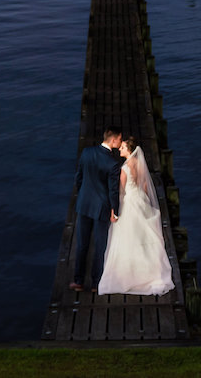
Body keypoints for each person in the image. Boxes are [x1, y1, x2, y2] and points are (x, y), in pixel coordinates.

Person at [96, 137, 175, 296]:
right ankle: (149, 270)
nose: (120, 149)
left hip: (130, 201)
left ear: (129, 150)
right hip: (140, 199)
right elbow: (145, 186)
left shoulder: (124, 168)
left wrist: (114, 210)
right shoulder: (140, 165)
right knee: (143, 235)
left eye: (123, 147)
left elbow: (120, 191)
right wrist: (144, 202)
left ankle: (129, 275)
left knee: (127, 237)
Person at [69, 124, 125, 292]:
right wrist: (115, 210)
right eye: (120, 139)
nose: (121, 141)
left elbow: (78, 178)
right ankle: (95, 283)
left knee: (82, 244)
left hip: (84, 205)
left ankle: (78, 281)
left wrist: (83, 195)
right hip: (102, 208)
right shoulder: (113, 163)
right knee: (100, 246)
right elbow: (113, 190)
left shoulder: (86, 152)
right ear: (114, 140)